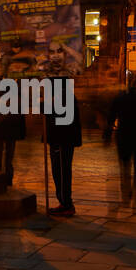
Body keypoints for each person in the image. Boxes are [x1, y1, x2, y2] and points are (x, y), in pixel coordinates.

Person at [105, 77, 136, 212]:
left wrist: (108, 135)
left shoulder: (120, 99)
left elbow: (111, 117)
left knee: (125, 168)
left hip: (124, 137)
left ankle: (126, 195)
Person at [45, 87, 82, 217]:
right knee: (59, 171)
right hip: (59, 140)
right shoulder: (61, 96)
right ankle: (64, 202)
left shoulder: (64, 97)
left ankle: (66, 203)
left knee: (61, 172)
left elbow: (60, 120)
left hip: (61, 140)